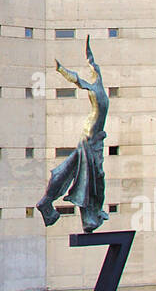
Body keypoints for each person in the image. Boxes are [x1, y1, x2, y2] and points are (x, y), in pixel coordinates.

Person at [35, 36, 110, 232]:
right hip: (90, 139)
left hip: (94, 138)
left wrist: (88, 51)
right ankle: (90, 216)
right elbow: (78, 79)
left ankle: (49, 204)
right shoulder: (93, 89)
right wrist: (61, 70)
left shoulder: (99, 86)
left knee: (76, 173)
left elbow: (92, 62)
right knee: (93, 178)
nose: (95, 71)